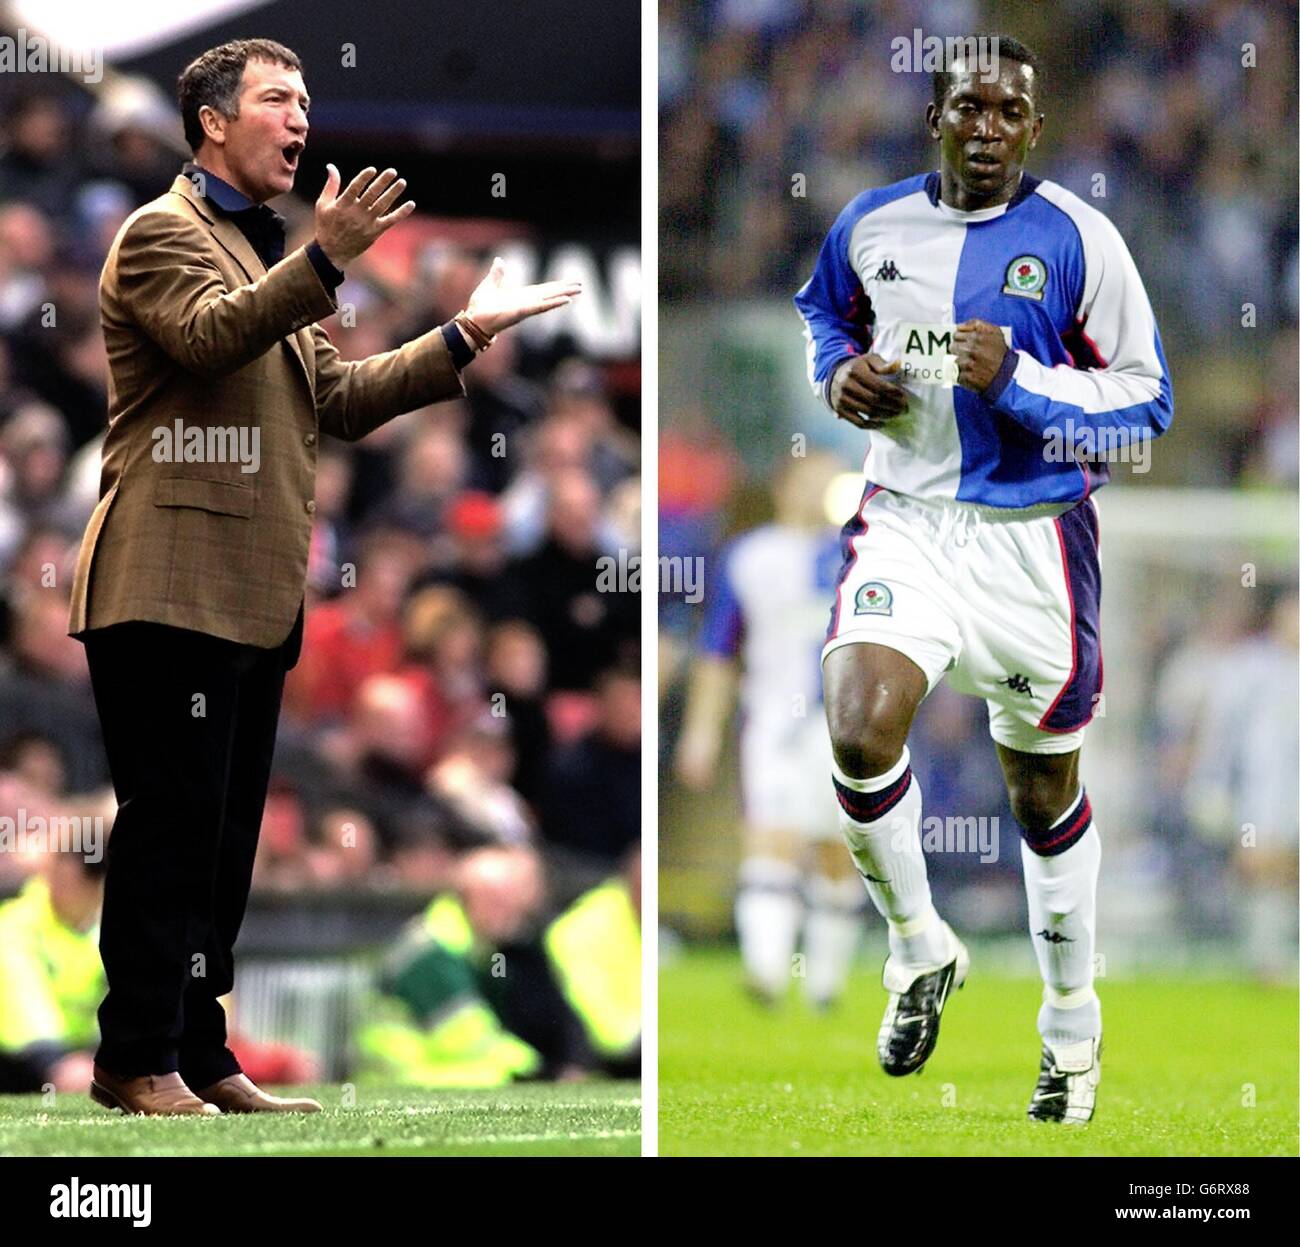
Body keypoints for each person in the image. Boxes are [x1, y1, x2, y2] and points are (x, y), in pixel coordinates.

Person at [65, 38, 579, 1117]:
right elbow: (206, 343)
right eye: (276, 100)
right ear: (212, 121)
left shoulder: (266, 252)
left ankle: (199, 1056)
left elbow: (333, 398)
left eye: (306, 101)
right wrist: (328, 260)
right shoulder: (164, 232)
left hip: (248, 595)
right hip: (164, 580)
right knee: (170, 826)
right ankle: (134, 1057)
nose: (301, 120)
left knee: (225, 840)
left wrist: (459, 336)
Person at [795, 36, 1172, 1123]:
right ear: (936, 116)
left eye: (1010, 111)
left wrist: (1017, 379)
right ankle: (918, 947)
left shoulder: (1080, 241)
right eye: (970, 106)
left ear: (1034, 129)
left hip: (1036, 545)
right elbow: (824, 311)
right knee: (860, 729)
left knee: (1038, 793)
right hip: (906, 521)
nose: (988, 126)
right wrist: (839, 373)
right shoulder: (868, 224)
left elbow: (1146, 399)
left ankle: (1069, 1028)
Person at [675, 452, 865, 1008]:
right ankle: (766, 972)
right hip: (773, 720)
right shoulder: (749, 556)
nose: (819, 490)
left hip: (844, 725)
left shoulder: (862, 552)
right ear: (784, 484)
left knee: (837, 851)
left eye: (830, 481)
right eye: (811, 479)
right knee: (770, 837)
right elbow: (718, 651)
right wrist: (702, 732)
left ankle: (825, 983)